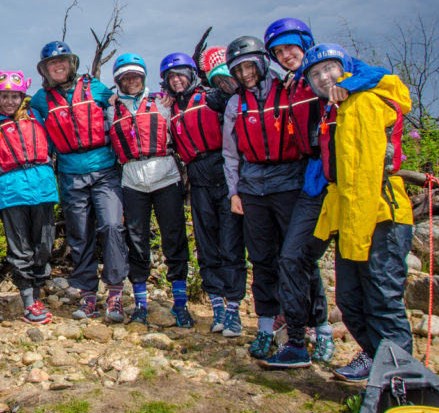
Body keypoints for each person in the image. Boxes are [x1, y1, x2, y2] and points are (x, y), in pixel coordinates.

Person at [259, 19, 389, 369]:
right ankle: (298, 343)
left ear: (305, 43)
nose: (286, 55)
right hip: (314, 180)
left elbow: (383, 78)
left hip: (354, 186)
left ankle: (374, 353)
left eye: (291, 48)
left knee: (366, 274)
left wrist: (348, 84)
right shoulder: (290, 85)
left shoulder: (336, 70)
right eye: (280, 52)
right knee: (292, 257)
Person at [301, 43, 414, 382]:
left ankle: (399, 379)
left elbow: (390, 86)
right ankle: (376, 356)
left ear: (346, 69)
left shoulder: (366, 99)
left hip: (381, 211)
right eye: (315, 74)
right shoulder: (332, 110)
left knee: (382, 296)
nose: (323, 77)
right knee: (350, 299)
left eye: (329, 69)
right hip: (351, 214)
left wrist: (355, 82)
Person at [31, 41, 129, 322]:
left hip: (105, 170)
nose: (57, 66)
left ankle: (114, 295)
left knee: (111, 226)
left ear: (71, 64)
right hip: (71, 174)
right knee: (80, 234)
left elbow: (119, 104)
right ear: (45, 70)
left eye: (62, 61)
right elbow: (28, 123)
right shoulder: (40, 99)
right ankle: (88, 297)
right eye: (51, 64)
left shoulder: (94, 87)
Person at [221, 36, 305, 360]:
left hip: (289, 182)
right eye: (239, 69)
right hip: (253, 187)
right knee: (262, 259)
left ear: (260, 62)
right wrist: (234, 192)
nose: (246, 73)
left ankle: (311, 327)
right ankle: (266, 327)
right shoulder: (234, 105)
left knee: (297, 259)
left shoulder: (288, 88)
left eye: (249, 65)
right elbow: (231, 155)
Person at [163, 49, 247, 336]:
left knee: (231, 243)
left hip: (223, 170)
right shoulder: (170, 106)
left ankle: (234, 308)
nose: (176, 81)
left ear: (191, 75)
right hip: (196, 175)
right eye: (171, 77)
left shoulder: (212, 95)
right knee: (206, 242)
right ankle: (217, 307)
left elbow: (236, 103)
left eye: (180, 75)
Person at [107, 53, 191, 327]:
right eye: (125, 77)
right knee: (137, 241)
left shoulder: (161, 102)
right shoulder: (112, 109)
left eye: (135, 76)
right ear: (118, 81)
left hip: (165, 175)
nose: (130, 81)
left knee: (174, 238)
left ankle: (180, 303)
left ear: (143, 77)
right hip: (132, 179)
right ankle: (141, 304)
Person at [0, 70, 58, 324]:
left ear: (22, 96)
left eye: (14, 96)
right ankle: (29, 303)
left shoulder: (37, 113)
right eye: (4, 96)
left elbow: (55, 92)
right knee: (20, 247)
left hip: (42, 185)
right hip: (12, 188)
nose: (9, 101)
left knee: (44, 245)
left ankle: (36, 296)